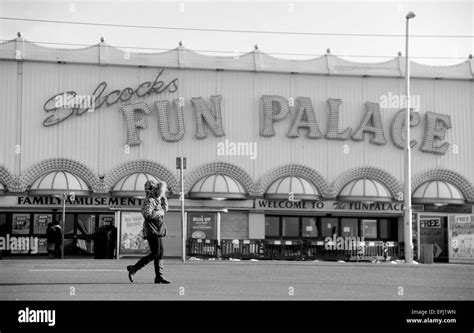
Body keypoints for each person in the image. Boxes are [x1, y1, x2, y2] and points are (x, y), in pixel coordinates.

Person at [127, 180, 171, 284]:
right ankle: (134, 268)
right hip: (152, 229)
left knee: (160, 252)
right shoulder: (149, 200)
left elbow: (166, 209)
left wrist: (163, 198)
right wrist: (159, 212)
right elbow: (147, 214)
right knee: (156, 253)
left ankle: (159, 276)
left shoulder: (158, 199)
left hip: (157, 228)